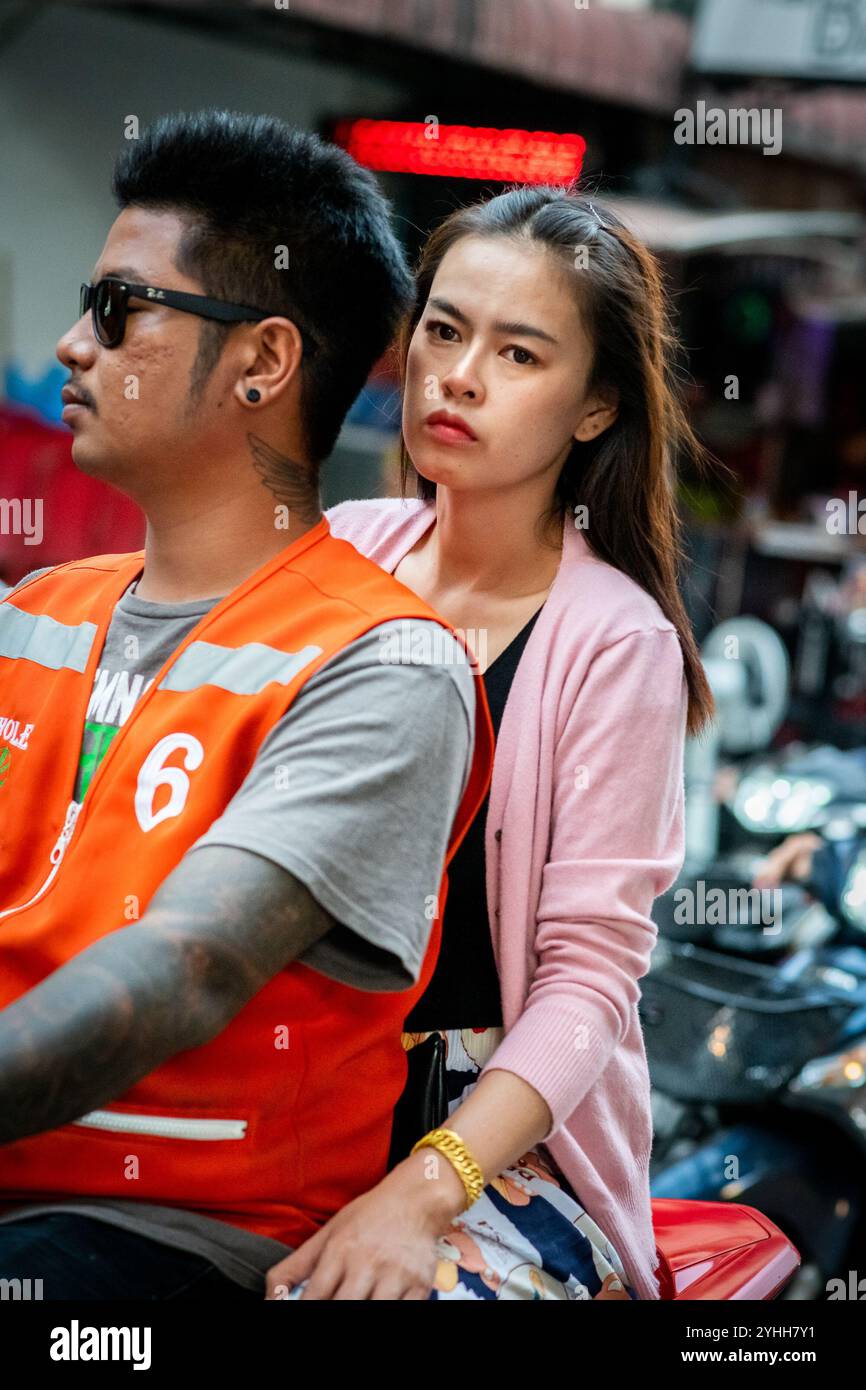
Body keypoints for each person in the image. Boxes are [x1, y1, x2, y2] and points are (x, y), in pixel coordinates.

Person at [0, 108, 495, 1300]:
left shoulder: (384, 667)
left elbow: (192, 964)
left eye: (120, 310)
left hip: (168, 1239)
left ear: (264, 361)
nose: (72, 345)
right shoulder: (37, 609)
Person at [265, 185, 715, 1302]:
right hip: (292, 1083)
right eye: (444, 329)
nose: (457, 375)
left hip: (495, 1135)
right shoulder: (337, 555)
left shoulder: (618, 644)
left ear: (595, 407)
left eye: (518, 355)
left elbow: (587, 979)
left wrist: (425, 1187)